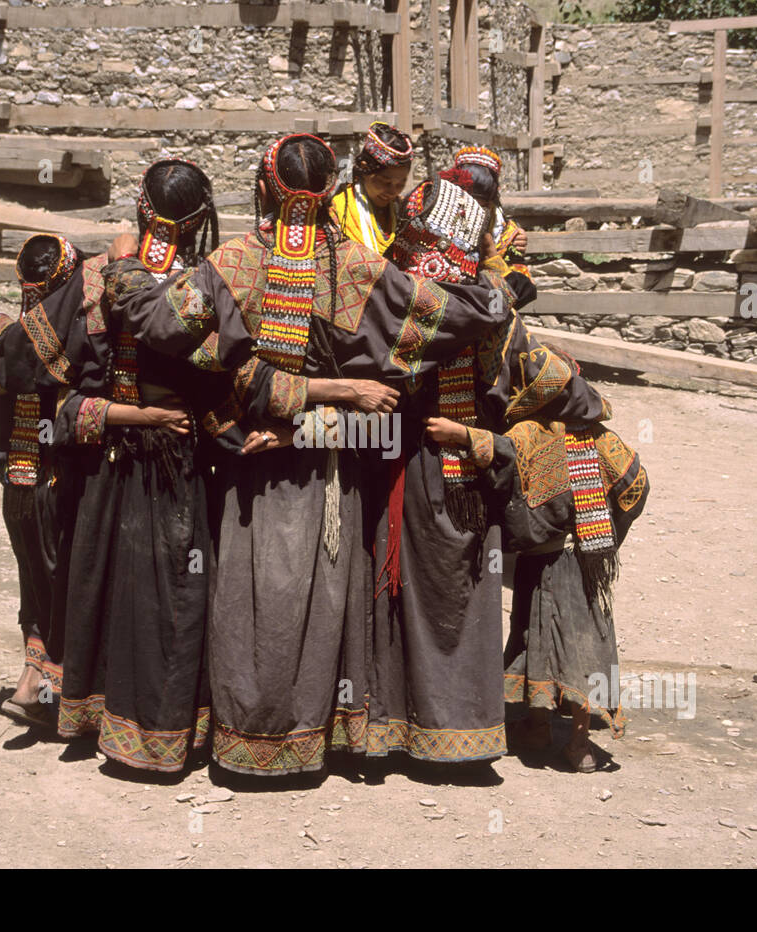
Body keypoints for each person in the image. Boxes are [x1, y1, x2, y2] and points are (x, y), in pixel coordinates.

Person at [117, 133, 516, 776]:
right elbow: (452, 315)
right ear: (333, 190)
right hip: (332, 459)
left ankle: (250, 738)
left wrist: (128, 265)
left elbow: (161, 323)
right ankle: (317, 736)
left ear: (265, 189)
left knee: (255, 589)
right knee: (326, 588)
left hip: (255, 459)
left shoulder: (235, 261)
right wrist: (498, 276)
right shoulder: (358, 265)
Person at [364, 173, 604, 765]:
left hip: (387, 465)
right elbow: (540, 376)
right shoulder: (487, 307)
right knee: (459, 598)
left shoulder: (388, 294)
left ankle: (391, 727)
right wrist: (591, 405)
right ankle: (458, 731)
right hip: (459, 471)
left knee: (396, 594)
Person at [49, 159, 232, 771]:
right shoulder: (208, 280)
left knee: (105, 584)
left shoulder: (98, 274)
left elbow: (59, 380)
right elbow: (222, 375)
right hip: (178, 460)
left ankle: (104, 718)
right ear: (201, 218)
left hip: (110, 460)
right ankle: (163, 732)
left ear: (141, 208)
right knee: (172, 595)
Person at [426, 345, 650, 771]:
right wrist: (602, 538)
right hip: (584, 562)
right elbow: (636, 486)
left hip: (540, 560)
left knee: (535, 635)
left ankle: (546, 727)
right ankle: (571, 741)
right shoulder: (602, 439)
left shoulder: (529, 434)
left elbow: (499, 455)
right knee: (584, 642)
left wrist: (461, 436)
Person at [0, 233, 108, 724]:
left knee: (35, 580)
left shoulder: (4, 338)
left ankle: (34, 681)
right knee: (64, 582)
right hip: (64, 485)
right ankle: (53, 690)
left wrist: (10, 472)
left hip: (21, 483)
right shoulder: (81, 342)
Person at [446, 145, 533, 287]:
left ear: (492, 199)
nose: (474, 212)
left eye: (482, 206)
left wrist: (493, 257)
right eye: (467, 204)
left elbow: (523, 291)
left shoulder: (507, 235)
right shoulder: (436, 222)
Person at [328, 120, 413, 254]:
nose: (393, 191)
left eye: (401, 183)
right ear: (364, 168)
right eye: (385, 182)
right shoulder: (338, 213)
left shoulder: (404, 212)